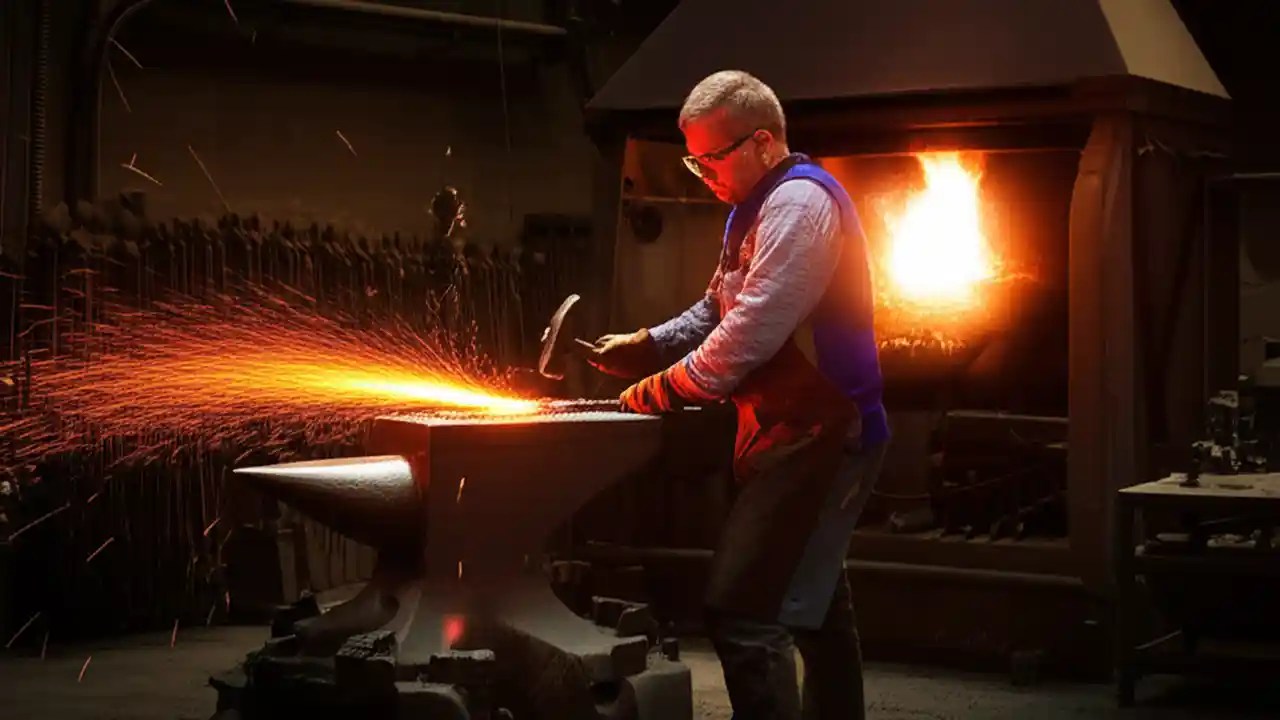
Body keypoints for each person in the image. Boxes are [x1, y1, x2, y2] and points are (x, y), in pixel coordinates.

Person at [585, 70, 889, 720]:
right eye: (694, 163)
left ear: (762, 143)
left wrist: (658, 389)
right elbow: (717, 307)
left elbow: (748, 335)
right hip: (791, 431)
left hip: (825, 435)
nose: (704, 174)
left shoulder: (800, 207)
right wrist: (648, 342)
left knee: (742, 609)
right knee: (815, 605)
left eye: (710, 160)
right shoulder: (751, 208)